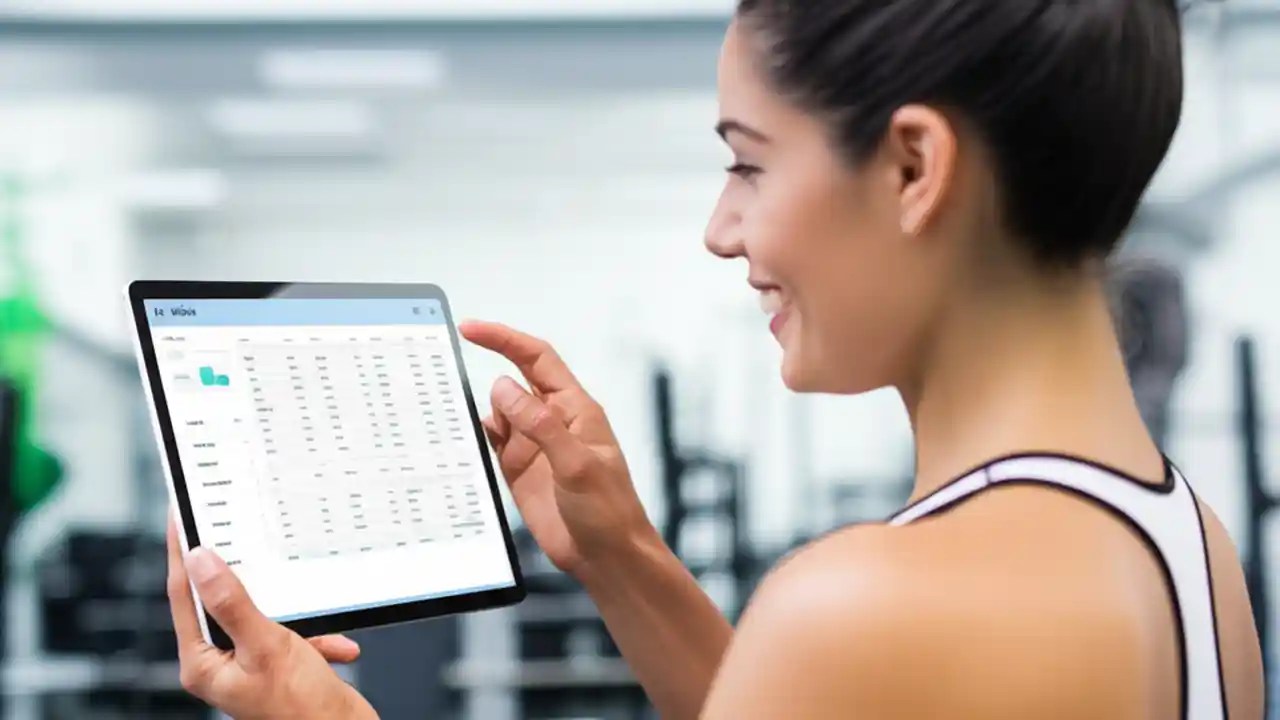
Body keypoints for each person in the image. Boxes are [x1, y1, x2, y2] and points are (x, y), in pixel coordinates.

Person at [165, 1, 1266, 717]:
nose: (720, 229)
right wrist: (622, 553)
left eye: (747, 166)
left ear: (911, 168)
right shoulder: (1182, 542)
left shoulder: (871, 603)